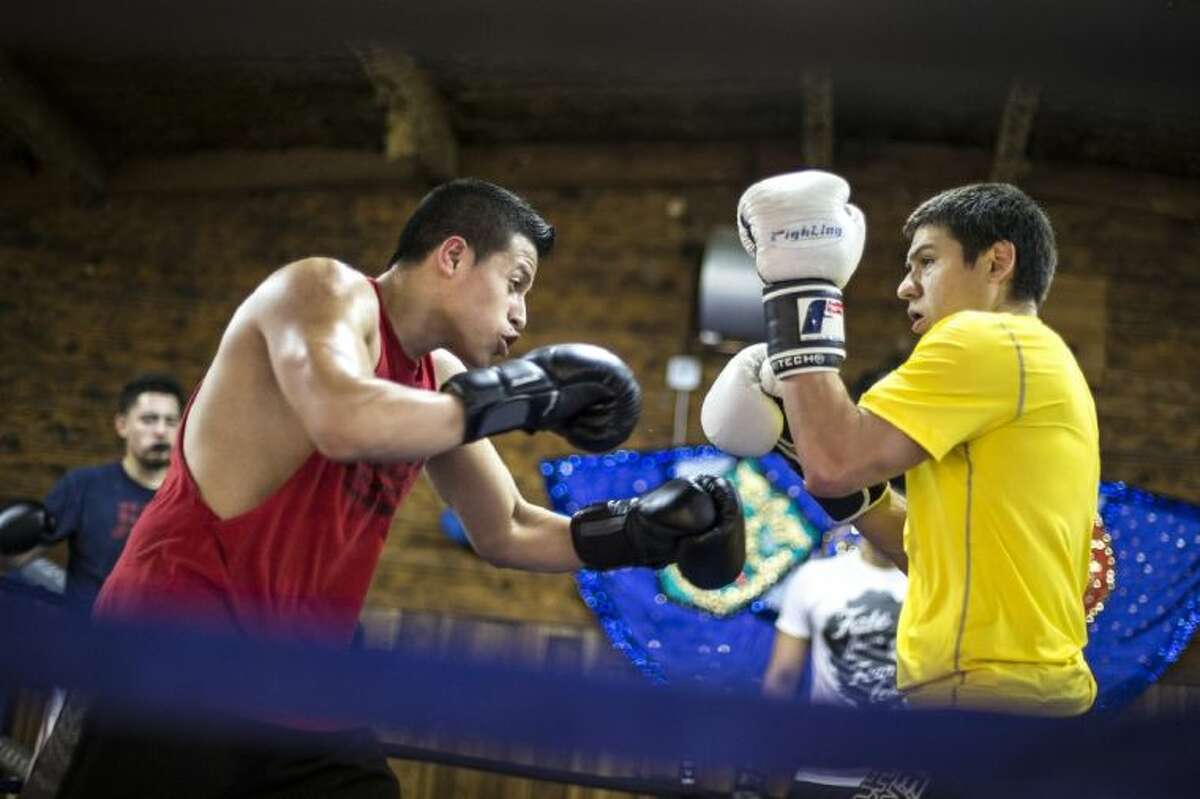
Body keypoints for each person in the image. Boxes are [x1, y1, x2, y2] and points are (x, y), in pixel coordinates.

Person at [21, 178, 746, 799]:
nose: (523, 316)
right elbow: (342, 414)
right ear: (453, 254)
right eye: (516, 281)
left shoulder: (444, 382)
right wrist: (528, 396)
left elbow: (509, 526)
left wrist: (641, 534)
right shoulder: (322, 290)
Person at [708, 173, 1098, 717]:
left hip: (990, 701)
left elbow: (837, 463)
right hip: (1010, 696)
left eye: (927, 262)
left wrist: (800, 287)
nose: (905, 286)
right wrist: (798, 443)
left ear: (996, 262)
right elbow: (915, 550)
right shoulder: (1034, 360)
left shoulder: (986, 339)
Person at [0, 374, 185, 611]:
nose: (160, 431)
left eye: (171, 421)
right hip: (88, 638)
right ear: (122, 425)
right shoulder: (84, 486)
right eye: (149, 419)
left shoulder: (193, 499)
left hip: (163, 640)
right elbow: (19, 556)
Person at [762, 536, 907, 797]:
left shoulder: (940, 582)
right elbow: (782, 678)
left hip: (910, 771)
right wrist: (774, 762)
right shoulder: (816, 577)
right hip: (825, 764)